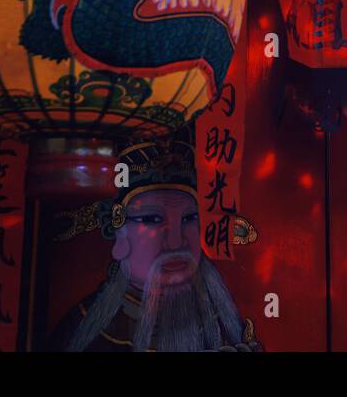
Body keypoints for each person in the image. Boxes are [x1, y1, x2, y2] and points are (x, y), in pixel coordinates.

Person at [49, 141, 260, 352]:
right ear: (120, 232)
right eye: (152, 218)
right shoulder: (81, 330)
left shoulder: (223, 328)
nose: (176, 242)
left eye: (189, 218)